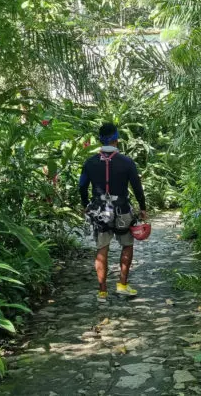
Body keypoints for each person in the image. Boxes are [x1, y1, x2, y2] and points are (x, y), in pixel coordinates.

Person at [79, 122, 148, 303]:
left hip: (100, 211)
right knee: (127, 244)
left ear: (99, 140)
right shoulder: (126, 162)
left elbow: (82, 186)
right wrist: (142, 207)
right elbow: (137, 187)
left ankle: (102, 292)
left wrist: (86, 204)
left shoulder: (90, 162)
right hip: (122, 210)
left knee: (102, 248)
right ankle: (122, 285)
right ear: (116, 139)